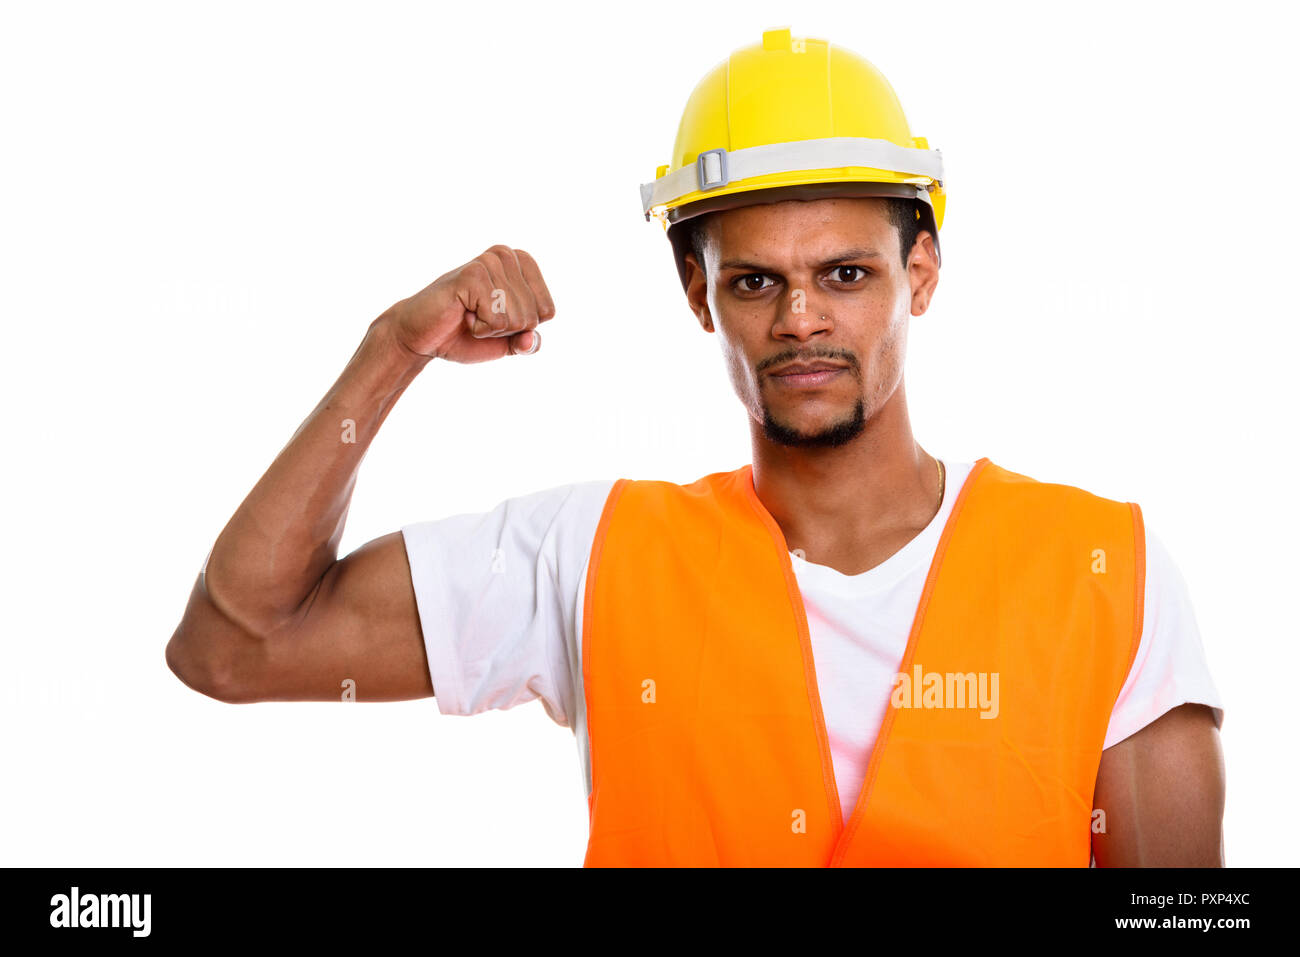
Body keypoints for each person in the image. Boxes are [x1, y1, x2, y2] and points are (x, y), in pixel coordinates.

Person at [166, 28, 1225, 867]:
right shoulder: (591, 557)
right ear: (697, 295)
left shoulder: (1104, 571)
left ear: (923, 273)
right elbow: (231, 643)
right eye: (753, 280)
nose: (800, 318)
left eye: (846, 275)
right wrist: (392, 348)